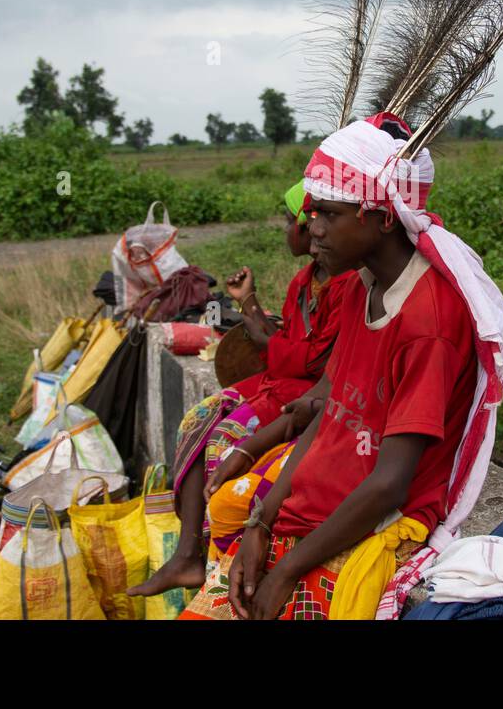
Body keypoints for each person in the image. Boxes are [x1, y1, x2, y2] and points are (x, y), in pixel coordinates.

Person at [179, 112, 503, 620]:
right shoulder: (362, 287)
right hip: (312, 510)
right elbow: (329, 415)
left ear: (382, 217)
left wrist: (286, 571)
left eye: (328, 214)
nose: (311, 231)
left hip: (367, 523)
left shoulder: (428, 322)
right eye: (311, 214)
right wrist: (261, 524)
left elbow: (389, 484)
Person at [129, 181, 353, 597]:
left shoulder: (347, 287)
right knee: (197, 419)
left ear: (310, 227)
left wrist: (266, 337)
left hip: (300, 391)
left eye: (290, 221)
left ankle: (219, 564)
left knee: (224, 443)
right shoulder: (303, 283)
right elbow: (284, 346)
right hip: (277, 382)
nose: (288, 230)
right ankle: (187, 554)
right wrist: (248, 303)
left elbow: (312, 362)